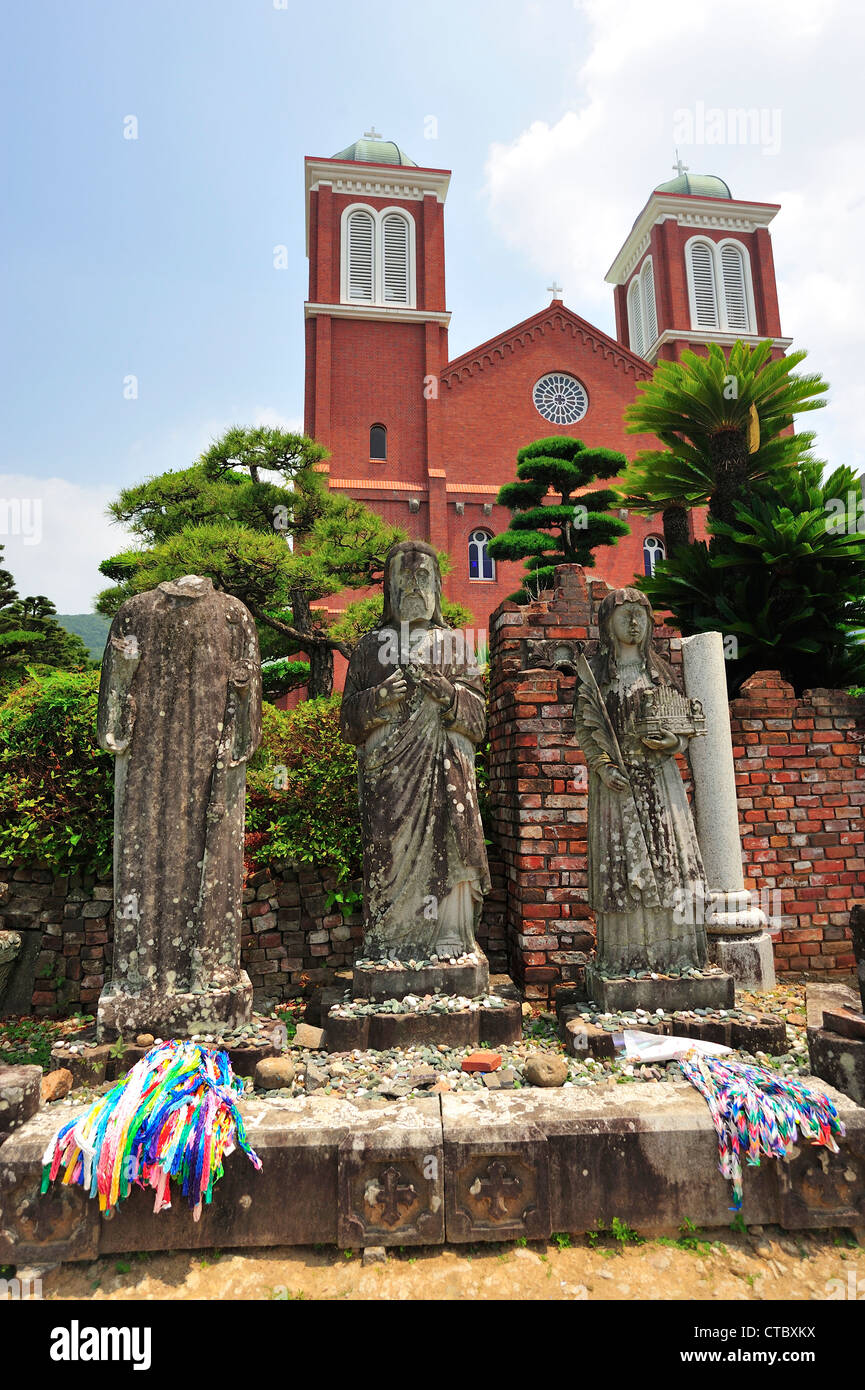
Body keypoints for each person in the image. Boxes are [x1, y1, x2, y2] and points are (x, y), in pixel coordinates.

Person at [340, 541, 490, 960]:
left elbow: (479, 721)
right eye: (403, 578)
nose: (413, 586)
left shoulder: (455, 646)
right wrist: (379, 698)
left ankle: (451, 936)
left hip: (444, 774)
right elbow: (348, 721)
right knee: (386, 854)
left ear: (437, 587)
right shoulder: (371, 648)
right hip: (387, 779)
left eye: (423, 577)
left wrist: (449, 697)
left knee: (451, 840)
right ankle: (389, 940)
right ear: (388, 589)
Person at [572, 586, 708, 975]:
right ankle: (623, 957)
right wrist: (601, 765)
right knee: (622, 865)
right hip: (616, 785)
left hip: (662, 782)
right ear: (606, 623)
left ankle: (677, 956)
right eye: (624, 614)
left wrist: (675, 742)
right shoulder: (596, 674)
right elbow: (586, 727)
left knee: (671, 862)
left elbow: (683, 721)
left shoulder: (660, 670)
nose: (634, 622)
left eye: (641, 615)